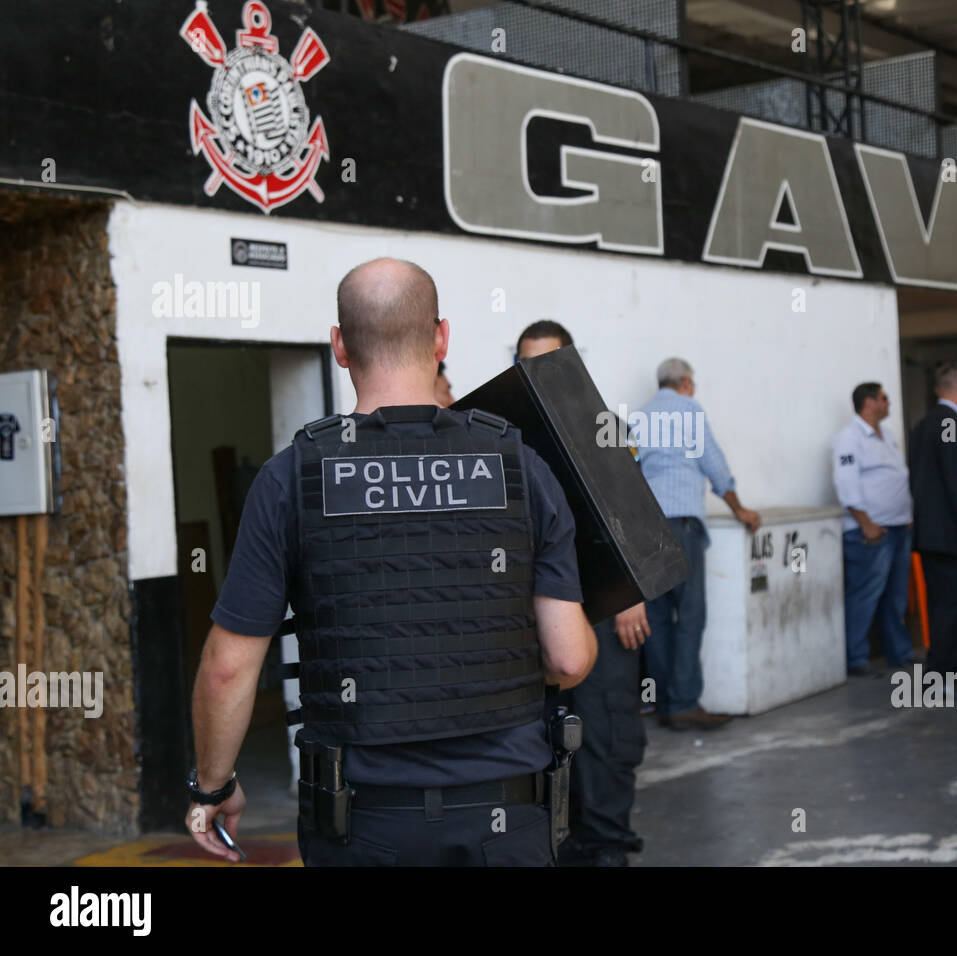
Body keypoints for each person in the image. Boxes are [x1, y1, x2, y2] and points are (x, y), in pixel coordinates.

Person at [186, 258, 598, 866]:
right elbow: (568, 659)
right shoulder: (520, 469)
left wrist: (213, 785)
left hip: (362, 823)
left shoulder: (291, 479)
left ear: (339, 348)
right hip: (505, 817)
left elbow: (227, 668)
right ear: (441, 338)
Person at [517, 321, 652, 867]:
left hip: (603, 609)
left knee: (607, 731)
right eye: (526, 362)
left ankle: (607, 842)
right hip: (533, 614)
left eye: (548, 361)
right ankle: (562, 840)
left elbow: (635, 522)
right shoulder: (509, 434)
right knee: (547, 732)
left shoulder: (607, 430)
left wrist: (630, 595)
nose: (536, 374)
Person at [637, 357, 760, 730]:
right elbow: (714, 464)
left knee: (656, 616)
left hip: (647, 528)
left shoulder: (640, 416)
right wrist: (739, 508)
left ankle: (661, 702)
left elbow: (629, 470)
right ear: (687, 382)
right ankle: (685, 703)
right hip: (682, 526)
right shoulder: (689, 410)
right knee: (689, 615)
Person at [831, 382, 915, 675]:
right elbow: (846, 484)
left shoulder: (887, 437)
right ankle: (855, 657)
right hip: (870, 532)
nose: (888, 402)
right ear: (869, 403)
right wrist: (866, 524)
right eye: (883, 398)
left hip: (897, 528)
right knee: (865, 595)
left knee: (896, 597)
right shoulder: (849, 439)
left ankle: (899, 652)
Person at [908, 362, 957, 675]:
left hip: (929, 533)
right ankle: (943, 670)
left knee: (941, 605)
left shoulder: (923, 425)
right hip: (950, 535)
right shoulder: (949, 425)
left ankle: (944, 666)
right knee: (953, 606)